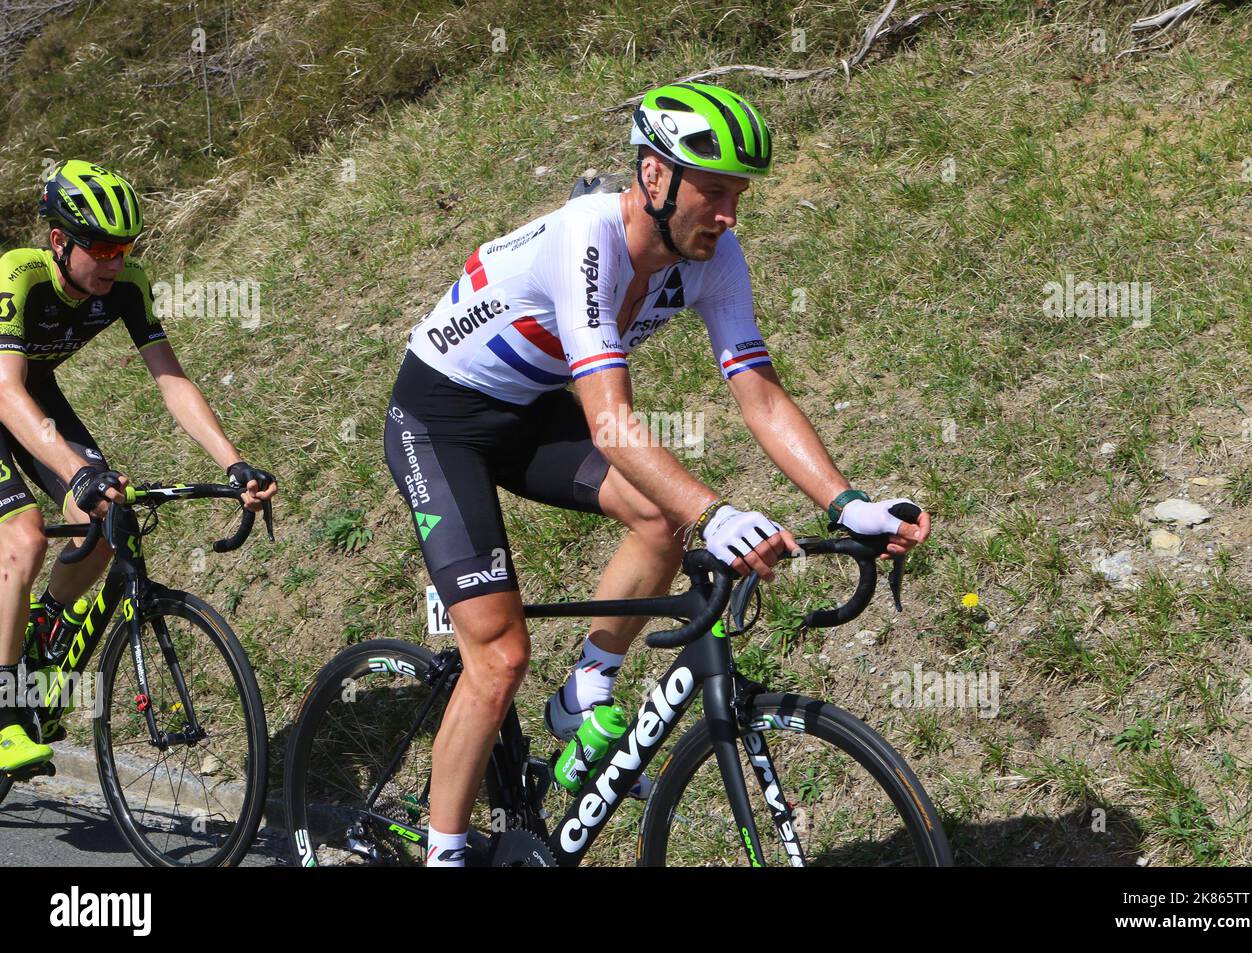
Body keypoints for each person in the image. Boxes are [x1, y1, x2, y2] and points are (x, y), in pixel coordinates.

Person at [382, 82, 930, 866]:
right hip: (440, 421)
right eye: (713, 191)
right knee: (499, 656)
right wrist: (716, 513)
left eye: (739, 195)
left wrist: (849, 504)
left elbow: (761, 395)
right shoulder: (587, 241)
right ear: (653, 176)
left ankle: (586, 691)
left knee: (659, 517)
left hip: (531, 410)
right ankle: (444, 853)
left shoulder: (716, 257)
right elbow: (610, 422)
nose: (730, 214)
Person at [0, 160, 278, 772]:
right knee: (23, 537)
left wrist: (235, 464)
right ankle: (2, 716)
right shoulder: (19, 277)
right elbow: (6, 390)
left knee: (107, 510)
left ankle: (39, 635)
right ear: (58, 240)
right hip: (6, 390)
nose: (113, 262)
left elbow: (170, 379)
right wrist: (75, 469)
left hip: (34, 396)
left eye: (124, 247)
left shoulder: (129, 286)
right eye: (99, 247)